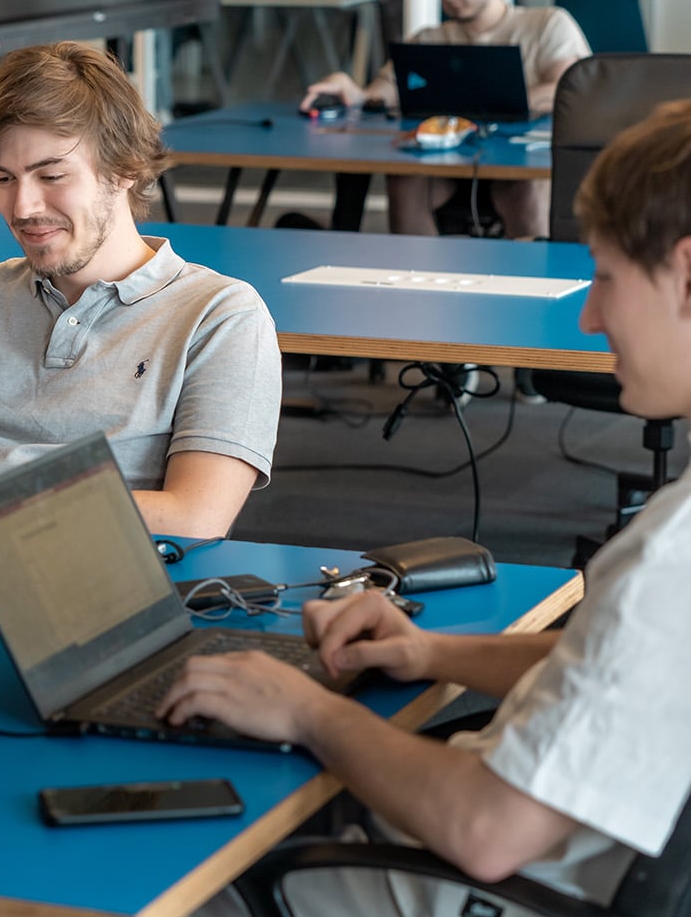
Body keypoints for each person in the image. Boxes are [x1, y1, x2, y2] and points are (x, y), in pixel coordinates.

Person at [163, 98, 691, 915]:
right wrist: (428, 653)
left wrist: (303, 709)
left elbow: (485, 831)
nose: (589, 315)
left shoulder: (671, 558)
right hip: (589, 846)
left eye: (608, 277)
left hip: (506, 882)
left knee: (186, 876)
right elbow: (624, 671)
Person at [0, 42, 281, 539]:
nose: (22, 207)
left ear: (124, 169)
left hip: (103, 581)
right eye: (3, 179)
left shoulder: (220, 316)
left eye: (52, 175)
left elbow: (196, 517)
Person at [300, 0, 590, 238]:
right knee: (404, 179)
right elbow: (383, 92)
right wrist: (351, 89)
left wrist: (489, 100)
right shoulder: (429, 39)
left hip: (522, 165)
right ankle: (421, 280)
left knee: (527, 188)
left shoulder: (546, 25)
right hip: (448, 167)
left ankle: (530, 282)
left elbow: (569, 88)